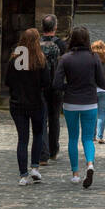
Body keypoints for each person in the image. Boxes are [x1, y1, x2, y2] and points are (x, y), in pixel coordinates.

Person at [54, 25, 105, 188]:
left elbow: (56, 83)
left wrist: (69, 87)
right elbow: (102, 82)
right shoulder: (94, 58)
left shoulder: (65, 58)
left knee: (72, 138)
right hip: (89, 102)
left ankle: (75, 174)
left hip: (71, 102)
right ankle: (90, 164)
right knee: (87, 138)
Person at [5, 27, 50, 185]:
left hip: (17, 104)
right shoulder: (40, 59)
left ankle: (23, 175)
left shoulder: (15, 59)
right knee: (37, 135)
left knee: (22, 139)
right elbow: (46, 82)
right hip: (36, 103)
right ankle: (35, 167)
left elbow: (7, 81)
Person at [39, 15, 68, 165]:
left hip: (40, 87)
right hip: (56, 87)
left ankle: (42, 153)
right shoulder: (61, 45)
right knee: (54, 118)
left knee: (41, 119)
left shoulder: (37, 44)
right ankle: (53, 150)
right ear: (55, 27)